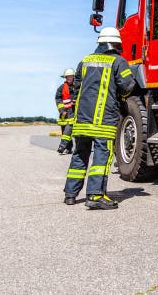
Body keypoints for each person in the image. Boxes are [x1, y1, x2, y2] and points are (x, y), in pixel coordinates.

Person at [63, 27, 135, 209]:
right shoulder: (119, 62)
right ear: (117, 44)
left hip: (81, 120)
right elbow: (127, 86)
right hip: (104, 121)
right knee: (101, 158)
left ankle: (70, 194)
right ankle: (95, 196)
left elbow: (77, 88)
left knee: (79, 155)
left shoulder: (84, 62)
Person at [55, 68, 79, 154]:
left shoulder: (78, 86)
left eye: (70, 76)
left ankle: (61, 147)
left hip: (74, 112)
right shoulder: (61, 88)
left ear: (73, 76)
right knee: (64, 131)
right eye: (67, 77)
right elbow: (58, 99)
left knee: (67, 131)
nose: (69, 78)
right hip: (64, 114)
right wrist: (61, 110)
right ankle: (69, 149)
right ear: (65, 77)